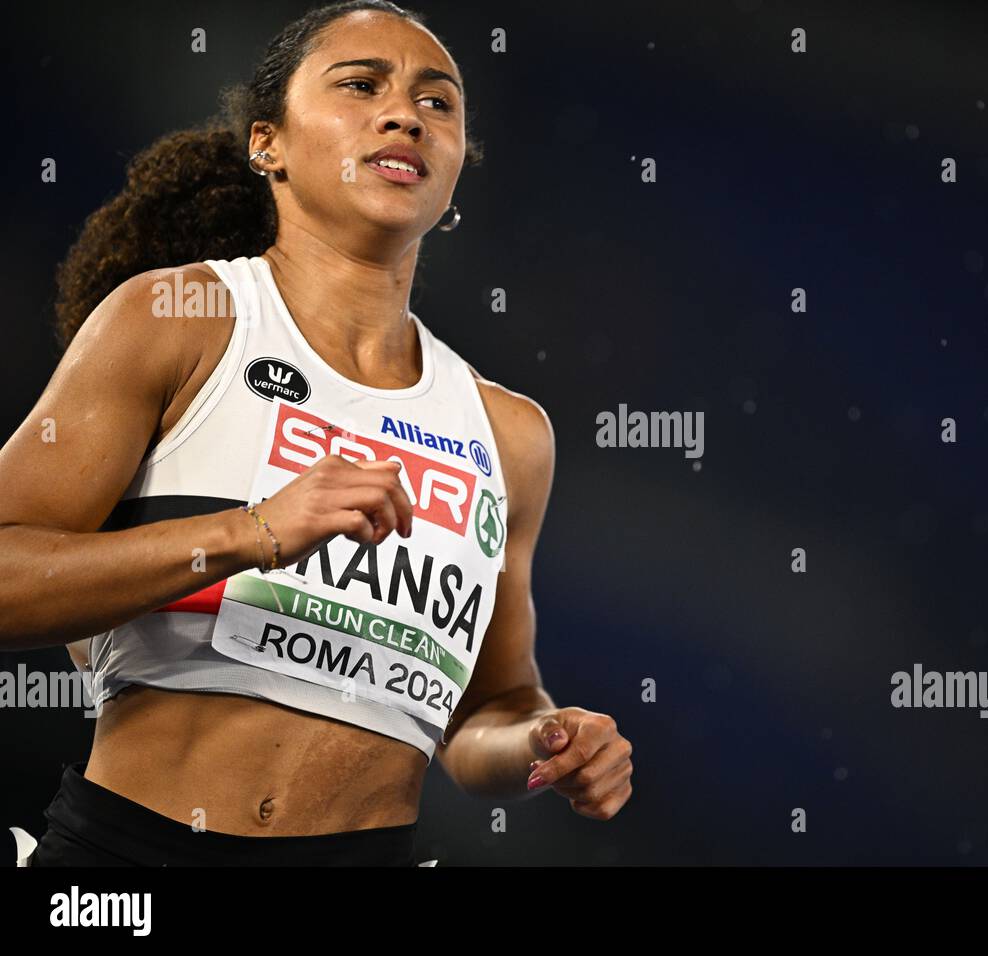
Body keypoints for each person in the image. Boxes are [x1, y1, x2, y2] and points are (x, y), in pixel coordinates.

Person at [0, 0, 632, 866]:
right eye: (361, 85)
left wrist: (542, 744)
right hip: (131, 861)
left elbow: (486, 713)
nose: (405, 113)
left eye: (438, 103)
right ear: (269, 143)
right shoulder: (180, 320)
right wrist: (251, 531)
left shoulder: (510, 433)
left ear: (452, 174)